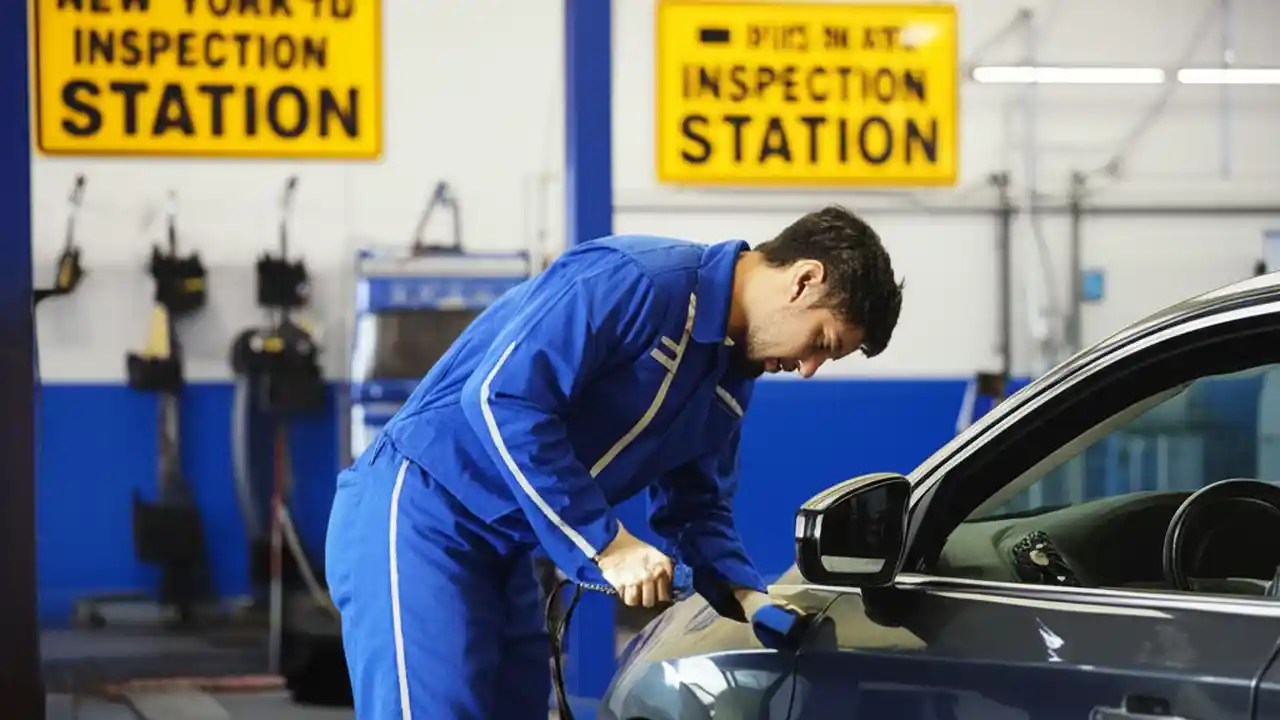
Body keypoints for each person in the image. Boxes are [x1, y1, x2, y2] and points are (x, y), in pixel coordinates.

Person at [324, 205, 904, 719]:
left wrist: (750, 599)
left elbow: (696, 506)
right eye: (822, 343)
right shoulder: (636, 280)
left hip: (506, 547)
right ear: (804, 281)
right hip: (419, 509)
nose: (807, 369)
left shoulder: (728, 378)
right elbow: (501, 398)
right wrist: (609, 545)